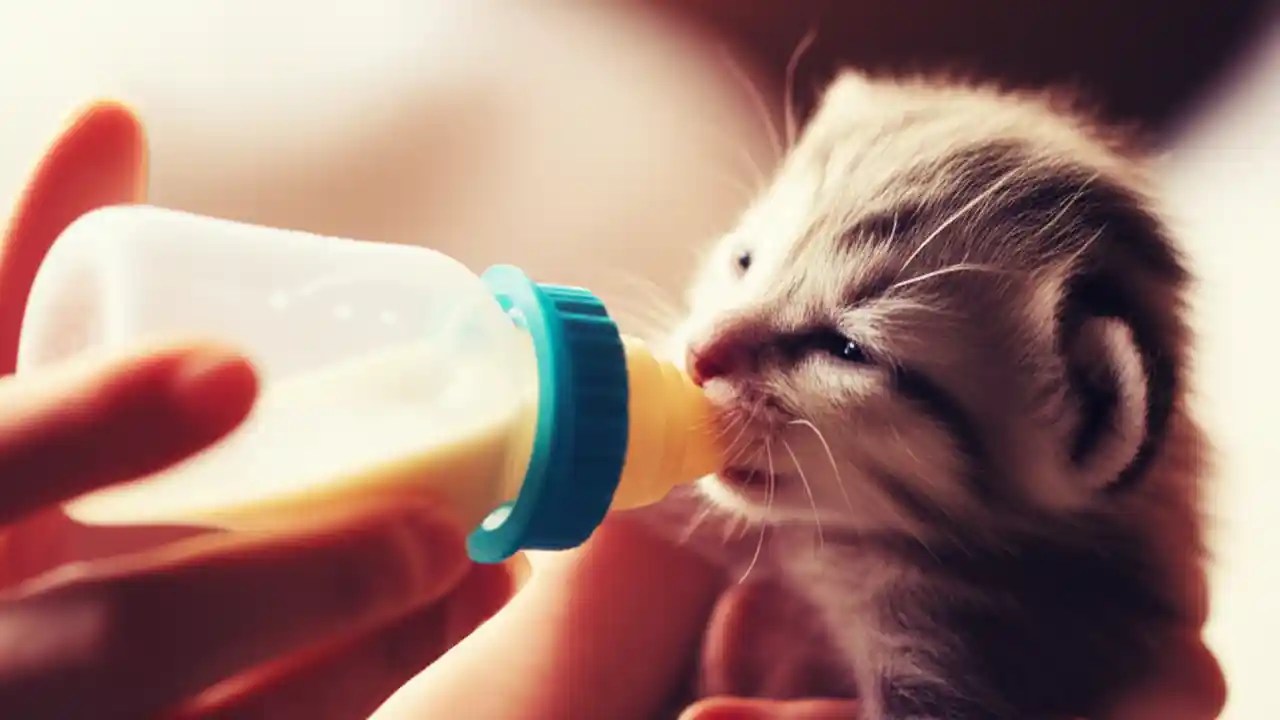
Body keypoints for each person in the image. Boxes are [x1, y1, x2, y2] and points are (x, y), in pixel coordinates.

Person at [0, 106, 1225, 720]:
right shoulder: (641, 556)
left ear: (1084, 422)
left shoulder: (985, 629)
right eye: (742, 261)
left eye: (848, 346)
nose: (705, 347)